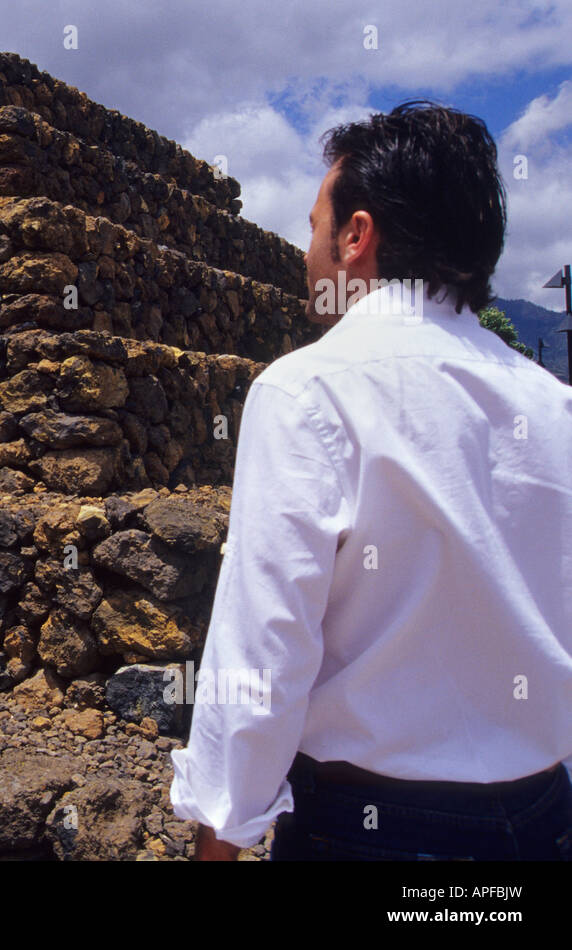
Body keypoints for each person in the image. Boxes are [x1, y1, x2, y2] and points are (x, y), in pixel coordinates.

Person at [168, 100, 572, 861]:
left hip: (374, 830)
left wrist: (220, 837)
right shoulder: (556, 409)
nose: (306, 250)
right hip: (545, 817)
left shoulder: (308, 392)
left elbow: (263, 657)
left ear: (357, 236)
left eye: (315, 223)